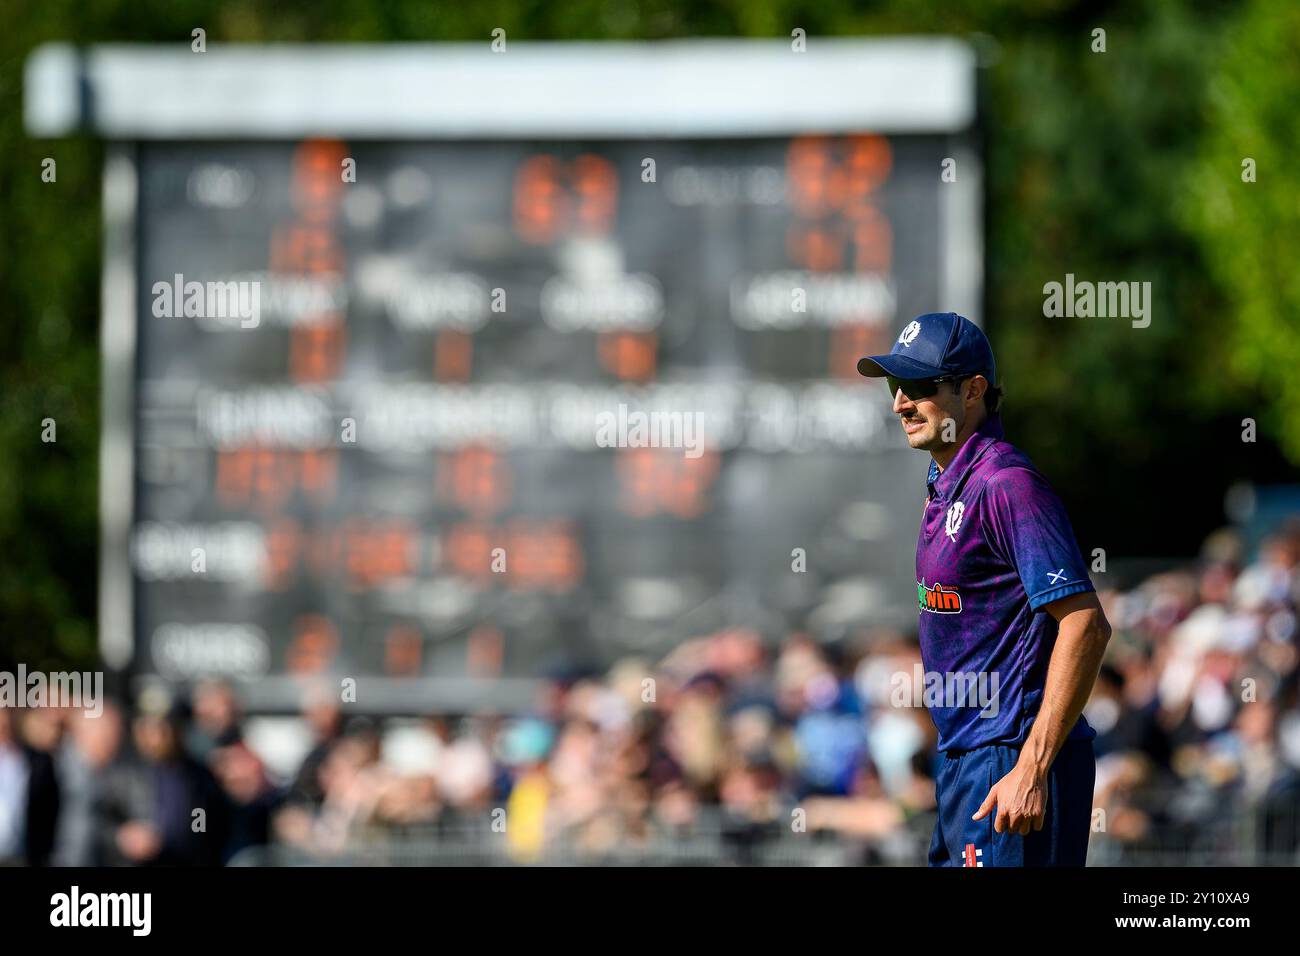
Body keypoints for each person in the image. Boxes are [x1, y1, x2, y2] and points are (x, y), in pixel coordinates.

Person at [857, 311, 1112, 866]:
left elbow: (1085, 622)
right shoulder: (946, 488)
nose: (900, 402)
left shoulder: (1006, 485)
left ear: (973, 390)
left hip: (1013, 761)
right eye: (896, 386)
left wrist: (1031, 767)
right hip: (965, 763)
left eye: (921, 387)